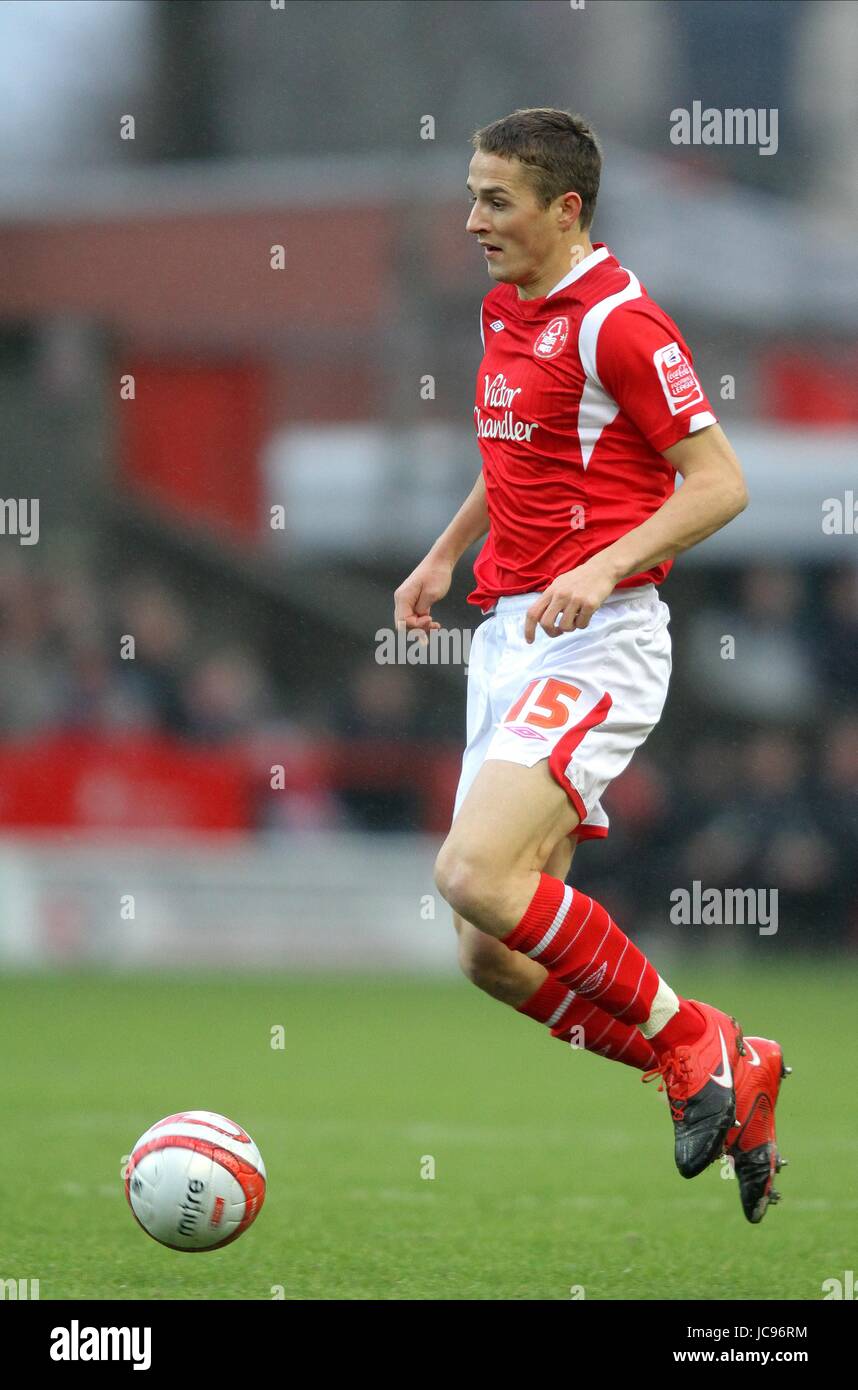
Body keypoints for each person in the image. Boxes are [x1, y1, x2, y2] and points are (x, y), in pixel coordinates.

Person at [394, 108, 787, 1223]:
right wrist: (445, 551)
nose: (473, 220)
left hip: (601, 639)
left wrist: (605, 567)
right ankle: (731, 1067)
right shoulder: (506, 310)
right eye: (472, 195)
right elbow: (515, 445)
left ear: (566, 209)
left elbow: (719, 483)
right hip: (510, 637)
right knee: (488, 953)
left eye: (496, 200)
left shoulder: (623, 321)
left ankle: (689, 1038)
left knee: (471, 872)